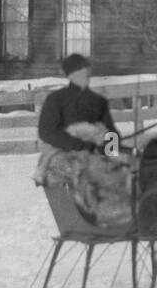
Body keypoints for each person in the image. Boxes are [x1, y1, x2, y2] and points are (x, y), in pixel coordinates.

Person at [33, 55, 133, 228]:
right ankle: (95, 213)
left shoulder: (98, 101)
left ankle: (120, 213)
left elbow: (111, 133)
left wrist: (109, 148)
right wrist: (79, 145)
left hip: (96, 154)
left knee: (124, 167)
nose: (87, 73)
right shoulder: (56, 100)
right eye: (81, 70)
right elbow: (47, 132)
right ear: (71, 75)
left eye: (87, 69)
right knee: (81, 169)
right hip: (63, 154)